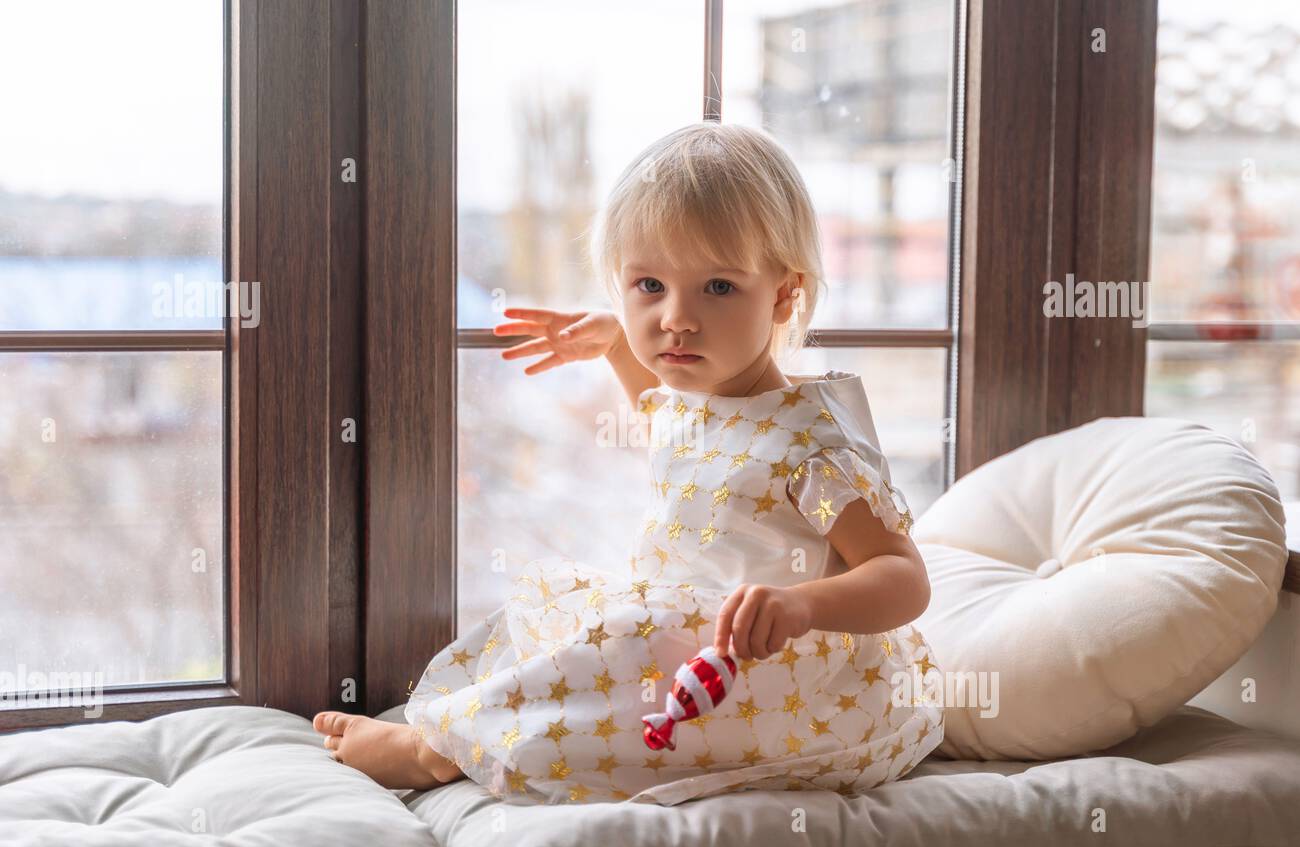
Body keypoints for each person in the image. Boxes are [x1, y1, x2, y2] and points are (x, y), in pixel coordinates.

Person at [314, 122, 945, 805]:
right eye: (649, 284)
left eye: (718, 287)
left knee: (619, 651)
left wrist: (798, 604)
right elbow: (674, 429)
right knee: (557, 617)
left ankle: (433, 749)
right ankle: (459, 720)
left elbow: (900, 578)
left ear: (784, 295)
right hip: (683, 642)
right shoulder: (701, 400)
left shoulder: (805, 451)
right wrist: (615, 343)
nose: (677, 318)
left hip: (774, 674)